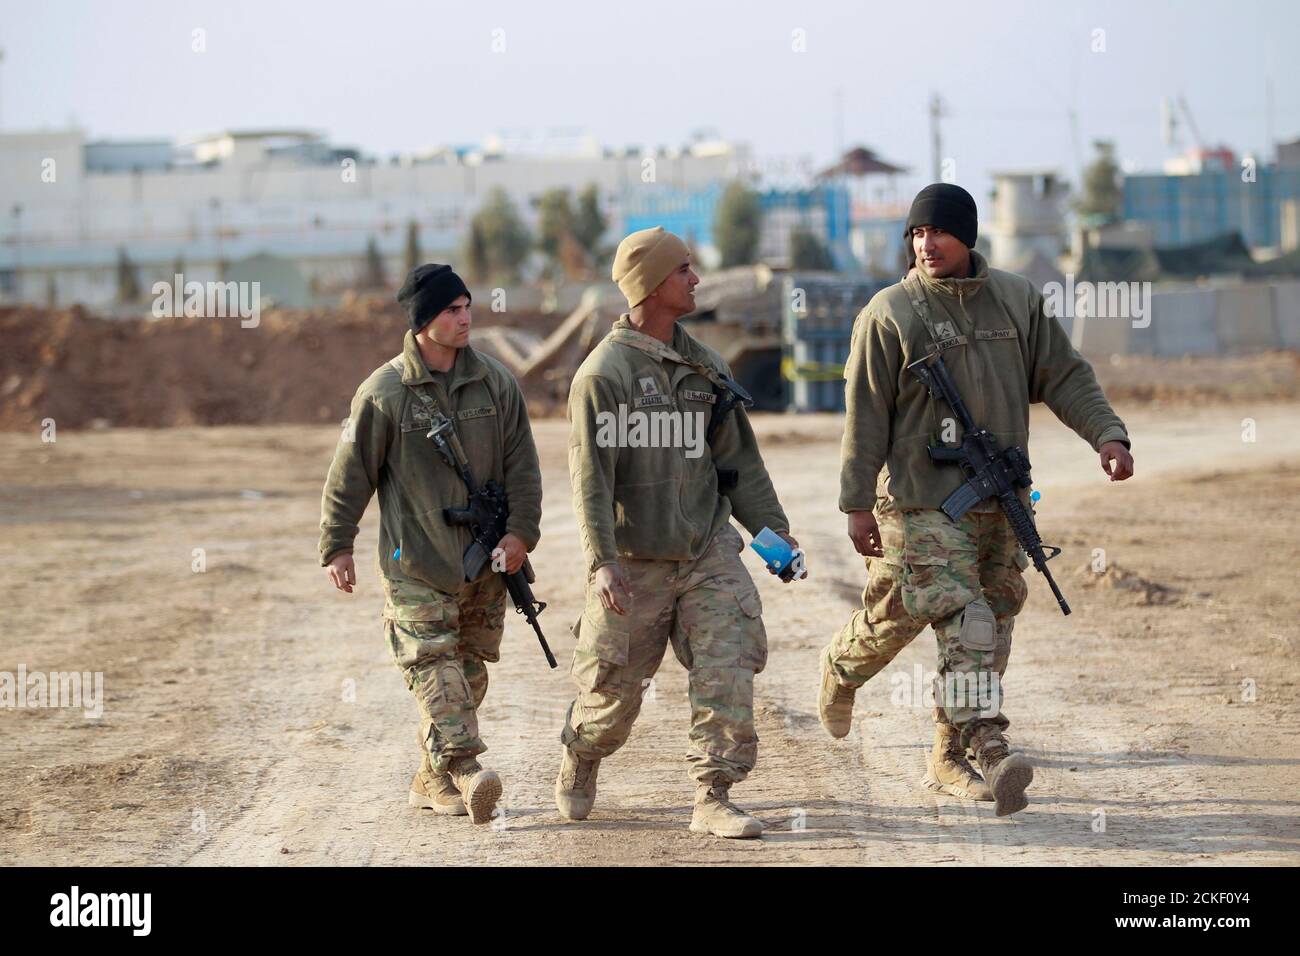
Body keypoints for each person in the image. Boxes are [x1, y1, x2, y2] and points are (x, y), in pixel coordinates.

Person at [819, 184, 1135, 816]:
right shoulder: (890, 313)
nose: (925, 243)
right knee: (962, 616)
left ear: (968, 236)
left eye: (937, 231)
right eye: (915, 234)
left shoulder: (1016, 299)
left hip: (1001, 496)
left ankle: (945, 753)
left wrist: (1107, 433)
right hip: (920, 499)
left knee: (992, 615)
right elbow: (865, 416)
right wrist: (856, 501)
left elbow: (1065, 374)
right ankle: (987, 743)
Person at [556, 227, 800, 839]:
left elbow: (738, 463)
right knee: (613, 702)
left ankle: (713, 794)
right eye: (684, 270)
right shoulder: (602, 375)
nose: (695, 280)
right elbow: (590, 480)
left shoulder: (706, 367)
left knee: (728, 662)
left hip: (706, 550)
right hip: (633, 559)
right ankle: (582, 752)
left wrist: (777, 536)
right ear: (649, 285)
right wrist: (601, 561)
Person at [319, 263, 542, 824]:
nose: (466, 318)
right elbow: (350, 475)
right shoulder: (384, 393)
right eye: (452, 310)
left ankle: (429, 775)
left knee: (469, 671)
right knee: (432, 665)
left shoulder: (495, 383)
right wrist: (337, 545)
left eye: (468, 307)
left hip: (485, 563)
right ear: (423, 322)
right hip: (414, 561)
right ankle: (467, 770)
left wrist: (521, 534)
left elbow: (523, 467)